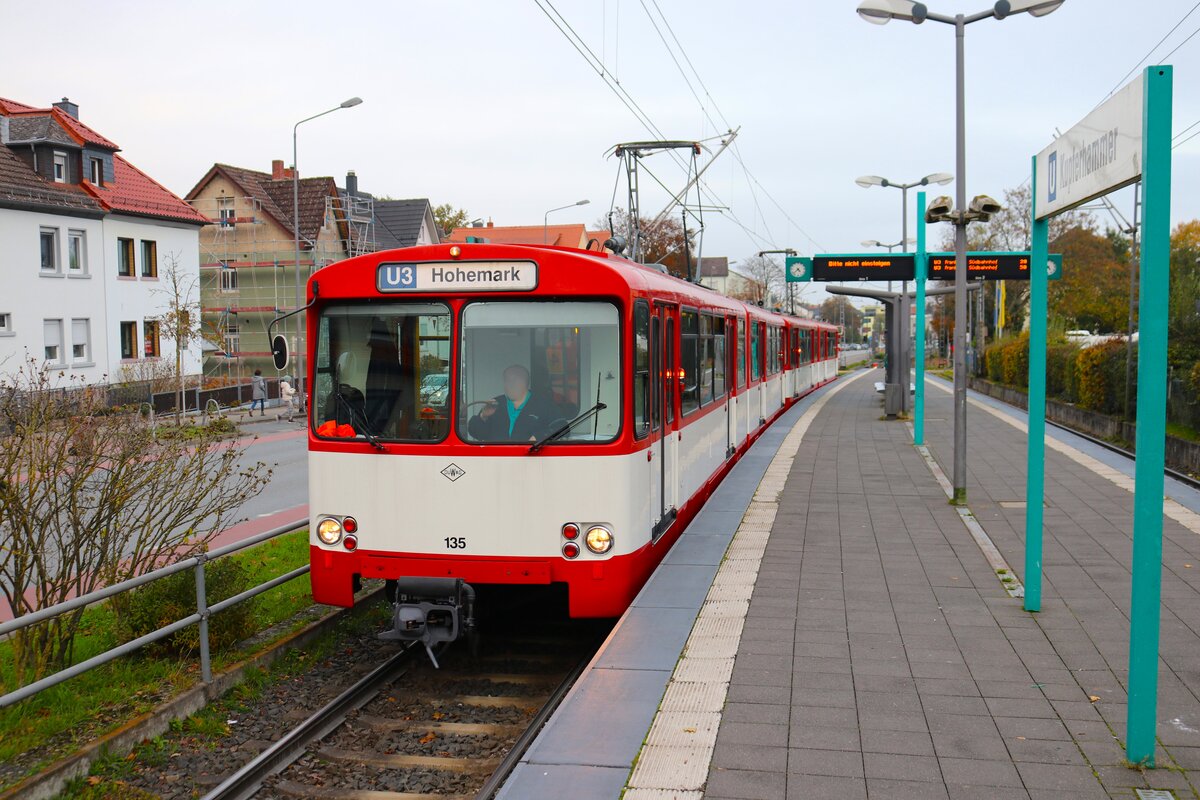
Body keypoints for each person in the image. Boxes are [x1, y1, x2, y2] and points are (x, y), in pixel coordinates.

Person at [468, 364, 560, 442]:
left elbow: (561, 428)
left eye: (515, 381)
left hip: (530, 458)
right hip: (497, 458)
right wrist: (483, 417)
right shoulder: (495, 404)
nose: (509, 385)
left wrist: (539, 437)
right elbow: (476, 433)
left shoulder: (543, 404)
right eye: (507, 381)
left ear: (525, 383)